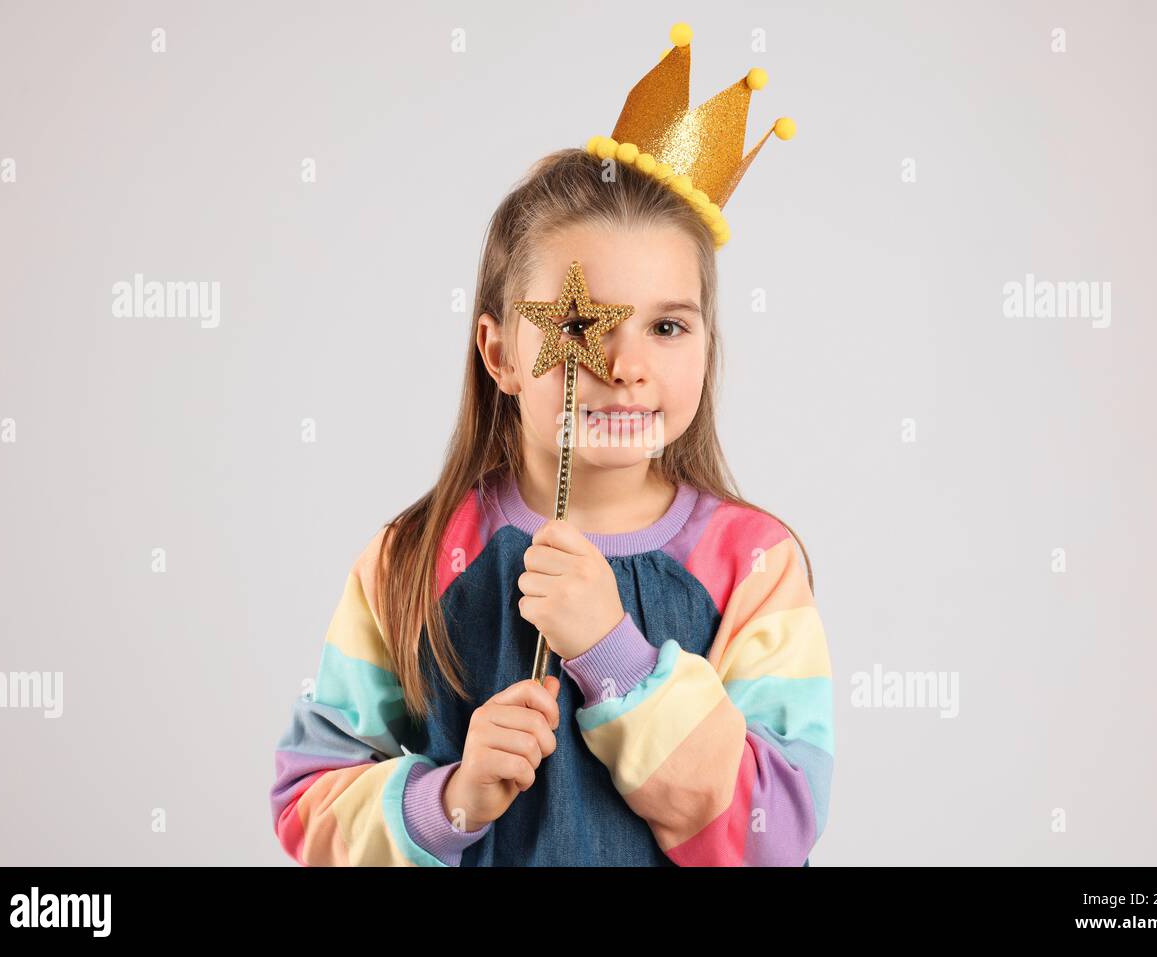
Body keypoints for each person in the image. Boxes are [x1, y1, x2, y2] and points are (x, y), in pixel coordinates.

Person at [269, 22, 831, 866]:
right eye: (586, 323)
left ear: (707, 345)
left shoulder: (750, 561)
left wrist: (614, 654)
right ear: (500, 352)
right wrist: (448, 799)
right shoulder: (413, 562)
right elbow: (307, 803)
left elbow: (776, 832)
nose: (625, 366)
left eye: (668, 325)